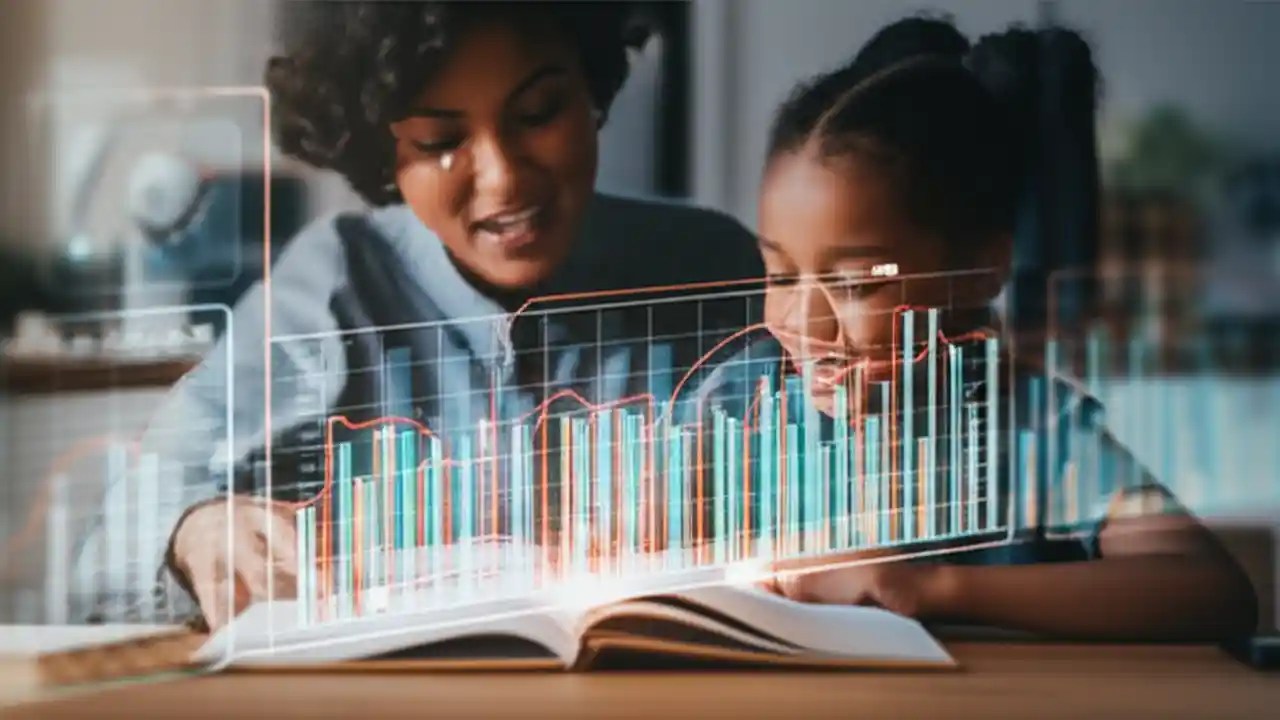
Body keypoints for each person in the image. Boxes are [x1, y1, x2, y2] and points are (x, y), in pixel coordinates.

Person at [78, 1, 761, 630]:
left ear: (592, 89)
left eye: (540, 111)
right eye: (439, 142)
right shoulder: (327, 291)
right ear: (383, 156)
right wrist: (190, 533)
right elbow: (110, 548)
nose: (504, 179)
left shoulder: (710, 265)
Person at [703, 17, 1257, 641]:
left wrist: (926, 587)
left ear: (977, 272)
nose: (804, 324)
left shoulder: (1034, 429)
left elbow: (1208, 590)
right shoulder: (739, 398)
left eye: (856, 285)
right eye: (779, 275)